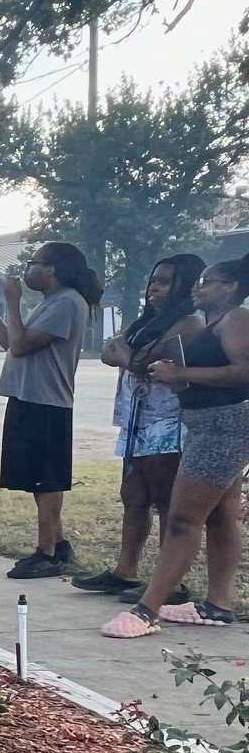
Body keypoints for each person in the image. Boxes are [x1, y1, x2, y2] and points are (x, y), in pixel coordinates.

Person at [102, 257, 249, 637]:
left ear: (230, 287)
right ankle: (218, 605)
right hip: (208, 425)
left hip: (224, 427)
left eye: (207, 282)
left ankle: (146, 611)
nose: (198, 288)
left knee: (183, 520)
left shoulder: (236, 319)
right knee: (220, 516)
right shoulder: (217, 323)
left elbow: (245, 370)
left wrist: (179, 373)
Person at [72, 256, 205, 601]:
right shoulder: (148, 322)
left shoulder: (189, 322)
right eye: (153, 281)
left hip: (168, 421)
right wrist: (134, 358)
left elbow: (151, 364)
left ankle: (170, 582)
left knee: (165, 500)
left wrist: (129, 358)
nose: (154, 289)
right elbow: (110, 353)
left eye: (164, 282)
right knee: (133, 497)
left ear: (186, 286)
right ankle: (125, 571)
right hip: (137, 419)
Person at [0, 242, 102, 579]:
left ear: (52, 269)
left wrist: (13, 301)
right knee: (35, 478)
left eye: (34, 263)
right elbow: (11, 344)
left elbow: (21, 344)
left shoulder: (68, 302)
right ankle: (57, 544)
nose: (27, 269)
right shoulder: (52, 303)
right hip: (29, 397)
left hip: (48, 400)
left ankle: (47, 553)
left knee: (46, 479)